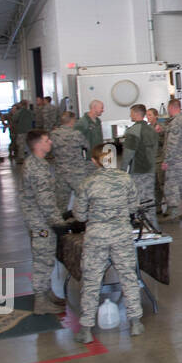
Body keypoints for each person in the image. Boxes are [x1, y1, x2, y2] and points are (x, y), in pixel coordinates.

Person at [72, 144, 144, 343]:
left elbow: (79, 214)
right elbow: (133, 207)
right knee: (128, 277)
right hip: (121, 233)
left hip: (96, 236)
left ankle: (86, 329)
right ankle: (135, 322)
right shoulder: (125, 179)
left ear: (95, 161)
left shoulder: (88, 183)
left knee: (92, 281)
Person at [19, 130, 68, 315]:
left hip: (38, 219)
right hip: (41, 222)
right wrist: (57, 222)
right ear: (38, 145)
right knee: (43, 259)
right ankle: (40, 300)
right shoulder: (37, 168)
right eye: (47, 140)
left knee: (46, 256)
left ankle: (47, 293)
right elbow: (45, 200)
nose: (50, 142)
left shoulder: (37, 163)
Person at [122, 104, 158, 228]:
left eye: (131, 113)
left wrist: (121, 172)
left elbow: (128, 154)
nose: (130, 115)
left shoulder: (132, 131)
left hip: (138, 170)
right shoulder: (152, 130)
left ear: (137, 114)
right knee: (150, 200)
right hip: (150, 169)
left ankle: (144, 230)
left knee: (138, 202)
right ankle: (154, 227)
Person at [161, 98, 182, 221]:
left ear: (172, 108)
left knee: (172, 184)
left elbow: (172, 144)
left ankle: (174, 212)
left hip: (176, 159)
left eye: (168, 108)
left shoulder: (176, 122)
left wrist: (166, 160)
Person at [49, 111, 91, 210]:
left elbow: (49, 150)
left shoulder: (54, 134)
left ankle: (61, 221)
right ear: (72, 121)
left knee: (61, 200)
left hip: (61, 172)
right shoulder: (76, 134)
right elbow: (87, 146)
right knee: (83, 197)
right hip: (77, 172)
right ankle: (82, 219)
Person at [146, 107, 167, 212]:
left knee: (163, 184)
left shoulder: (161, 127)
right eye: (147, 115)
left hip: (160, 159)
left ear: (156, 116)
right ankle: (157, 207)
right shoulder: (148, 128)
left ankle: (170, 207)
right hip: (152, 161)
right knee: (155, 186)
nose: (148, 117)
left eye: (150, 115)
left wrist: (159, 133)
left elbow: (165, 142)